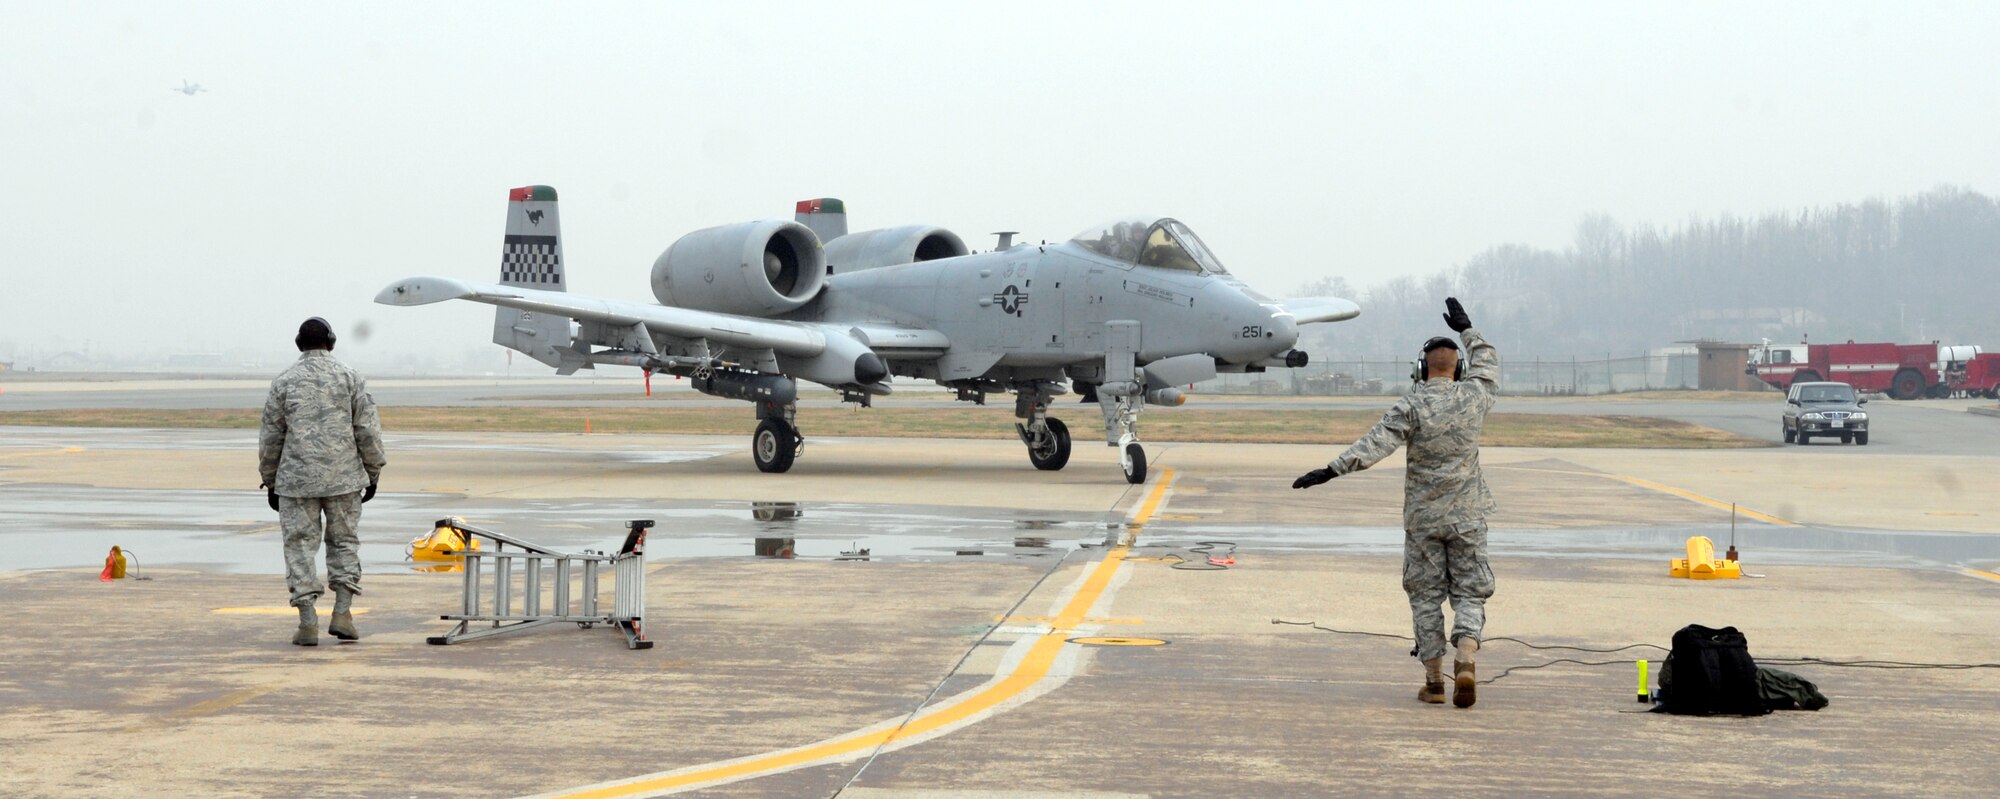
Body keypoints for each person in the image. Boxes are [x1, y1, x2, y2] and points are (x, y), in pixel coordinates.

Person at [1292, 297, 1498, 707]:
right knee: (1470, 593)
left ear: (1422, 369)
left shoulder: (1412, 404)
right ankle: (1467, 659)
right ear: (1458, 368)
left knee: (1424, 595)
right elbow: (1488, 364)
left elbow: (1374, 445)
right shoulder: (1474, 396)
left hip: (1423, 520)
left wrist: (1330, 470)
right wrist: (1468, 329)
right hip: (1467, 517)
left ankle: (1435, 683)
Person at [258, 317, 386, 646]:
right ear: (331, 341)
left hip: (296, 482)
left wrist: (270, 479)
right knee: (344, 543)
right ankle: (342, 613)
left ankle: (307, 622)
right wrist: (373, 471)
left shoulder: (284, 382)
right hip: (343, 480)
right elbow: (367, 429)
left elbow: (271, 436)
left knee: (299, 548)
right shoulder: (350, 377)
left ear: (299, 344)